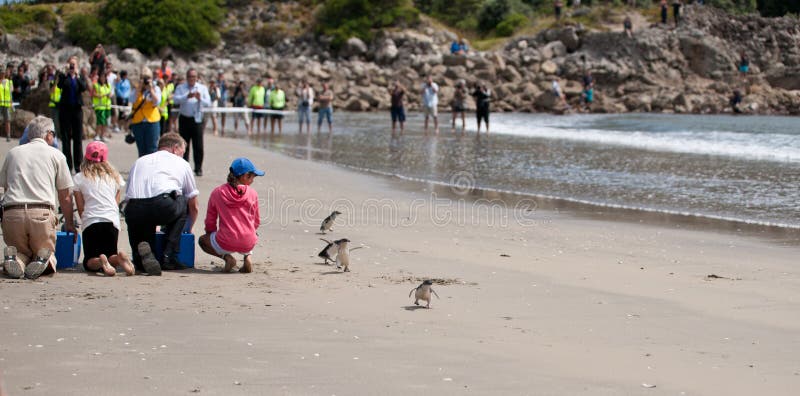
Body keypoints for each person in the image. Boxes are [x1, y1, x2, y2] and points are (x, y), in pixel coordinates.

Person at [1, 116, 76, 279]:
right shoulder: (56, 155)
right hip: (41, 214)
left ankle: (17, 259)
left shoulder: (13, 153)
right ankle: (44, 260)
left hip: (12, 212)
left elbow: (6, 188)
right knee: (45, 250)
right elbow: (65, 197)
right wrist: (70, 224)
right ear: (48, 134)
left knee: (21, 251)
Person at [124, 133, 199, 275]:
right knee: (182, 200)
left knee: (143, 225)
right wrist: (189, 227)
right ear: (175, 148)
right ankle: (168, 256)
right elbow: (193, 203)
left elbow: (128, 196)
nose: (182, 156)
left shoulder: (140, 161)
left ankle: (141, 258)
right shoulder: (182, 163)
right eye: (182, 152)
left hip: (134, 209)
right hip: (161, 205)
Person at [73, 141, 134, 276]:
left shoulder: (79, 178)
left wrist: (85, 221)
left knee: (89, 261)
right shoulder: (115, 177)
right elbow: (115, 204)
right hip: (111, 221)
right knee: (111, 254)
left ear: (86, 156)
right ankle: (119, 258)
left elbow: (81, 207)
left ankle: (101, 262)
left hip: (91, 220)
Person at [198, 157, 263, 273]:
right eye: (253, 176)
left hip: (225, 241)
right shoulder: (253, 193)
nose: (253, 180)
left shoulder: (217, 192)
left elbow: (210, 221)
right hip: (248, 241)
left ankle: (227, 258)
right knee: (251, 232)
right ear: (245, 176)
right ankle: (247, 256)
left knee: (202, 241)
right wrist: (251, 231)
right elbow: (256, 221)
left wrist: (210, 234)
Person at [172, 68, 211, 177]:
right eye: (189, 76)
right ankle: (184, 167)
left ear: (197, 77)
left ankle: (198, 168)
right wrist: (186, 96)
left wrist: (200, 99)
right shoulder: (181, 87)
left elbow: (208, 102)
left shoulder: (202, 88)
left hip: (197, 119)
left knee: (198, 145)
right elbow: (175, 100)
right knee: (183, 145)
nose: (191, 78)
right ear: (187, 77)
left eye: (193, 76)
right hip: (184, 119)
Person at [56, 56, 89, 172]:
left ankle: (78, 164)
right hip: (65, 109)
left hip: (77, 110)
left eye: (73, 64)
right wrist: (66, 74)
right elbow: (60, 85)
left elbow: (83, 88)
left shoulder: (79, 77)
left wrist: (77, 75)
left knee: (78, 137)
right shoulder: (63, 76)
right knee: (65, 138)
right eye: (70, 64)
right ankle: (68, 164)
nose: (71, 66)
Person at [129, 69, 162, 157]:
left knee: (152, 149)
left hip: (152, 121)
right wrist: (139, 89)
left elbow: (157, 102)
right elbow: (131, 99)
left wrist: (151, 90)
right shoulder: (136, 89)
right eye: (143, 78)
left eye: (148, 78)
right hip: (138, 121)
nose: (145, 80)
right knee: (141, 149)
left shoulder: (156, 88)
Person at [92, 72, 112, 142]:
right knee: (100, 121)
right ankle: (97, 135)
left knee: (106, 122)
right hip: (100, 107)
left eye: (104, 77)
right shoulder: (96, 85)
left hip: (107, 106)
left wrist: (109, 95)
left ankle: (103, 135)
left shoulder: (108, 85)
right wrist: (101, 95)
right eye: (102, 77)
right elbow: (93, 94)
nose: (103, 78)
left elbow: (110, 94)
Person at [0, 64, 12, 142]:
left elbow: (11, 93)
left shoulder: (8, 82)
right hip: (0, 103)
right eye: (1, 73)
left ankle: (8, 135)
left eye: (3, 73)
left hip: (7, 104)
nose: (2, 74)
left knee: (7, 120)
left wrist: (11, 102)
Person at [216, 71, 228, 135]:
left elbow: (227, 87)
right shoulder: (216, 82)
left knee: (224, 115)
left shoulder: (224, 82)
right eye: (219, 75)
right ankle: (216, 128)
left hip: (223, 100)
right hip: (217, 100)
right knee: (216, 114)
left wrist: (224, 81)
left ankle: (223, 128)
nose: (220, 76)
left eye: (221, 75)